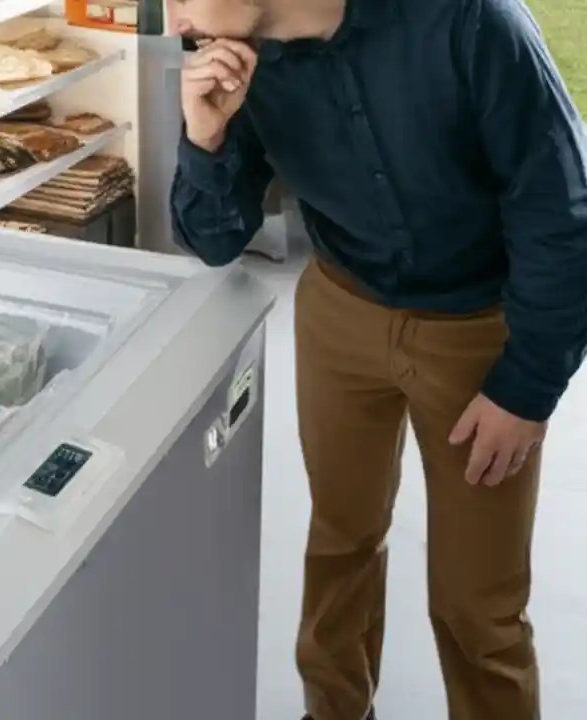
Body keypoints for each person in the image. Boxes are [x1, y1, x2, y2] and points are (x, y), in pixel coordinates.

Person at [168, 0, 587, 719]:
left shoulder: (474, 23)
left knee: (478, 598)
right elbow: (215, 238)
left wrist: (526, 390)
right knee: (339, 542)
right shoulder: (232, 59)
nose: (173, 18)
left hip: (477, 332)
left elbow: (561, 211)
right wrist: (205, 136)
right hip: (339, 312)